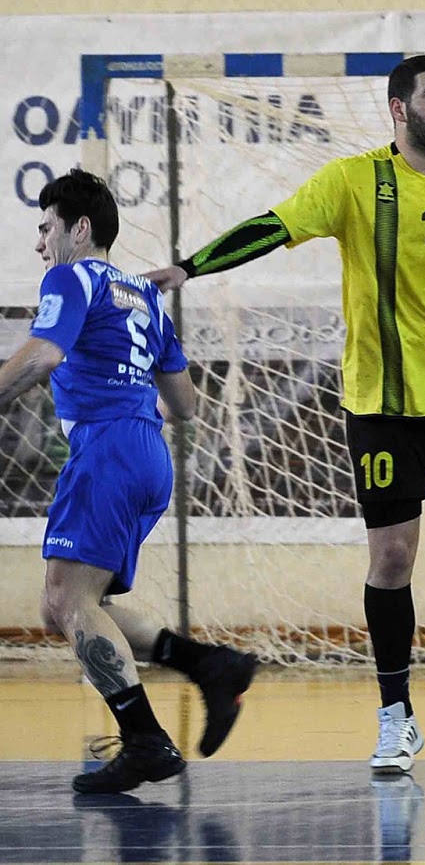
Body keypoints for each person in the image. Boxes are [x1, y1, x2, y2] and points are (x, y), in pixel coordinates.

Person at [145, 56, 425, 774]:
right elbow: (272, 225)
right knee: (392, 557)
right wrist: (188, 269)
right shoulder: (354, 181)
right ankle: (395, 717)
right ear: (399, 108)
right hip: (382, 403)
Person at [0, 169, 257, 794]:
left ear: (78, 227)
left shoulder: (71, 276)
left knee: (67, 603)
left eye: (45, 228)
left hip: (108, 450)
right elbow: (187, 403)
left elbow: (43, 355)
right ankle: (209, 664)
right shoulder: (143, 297)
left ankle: (145, 741)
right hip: (148, 453)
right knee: (86, 603)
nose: (40, 245)